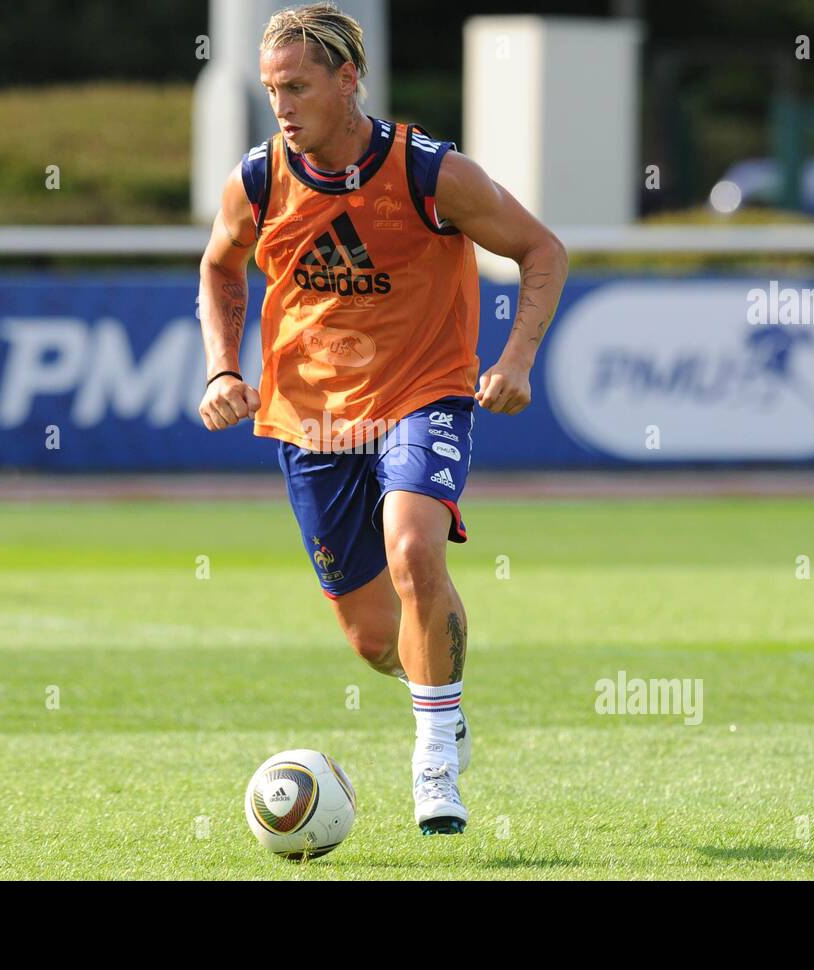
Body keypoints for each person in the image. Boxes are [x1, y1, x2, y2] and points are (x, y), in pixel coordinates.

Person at [197, 2, 567, 834]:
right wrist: (223, 366)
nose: (282, 106)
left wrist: (514, 361)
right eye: (270, 90)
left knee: (412, 544)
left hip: (422, 395)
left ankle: (435, 760)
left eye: (296, 86)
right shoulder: (257, 179)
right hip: (311, 420)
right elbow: (220, 267)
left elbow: (542, 248)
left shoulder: (431, 174)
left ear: (347, 78)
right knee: (373, 638)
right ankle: (446, 693)